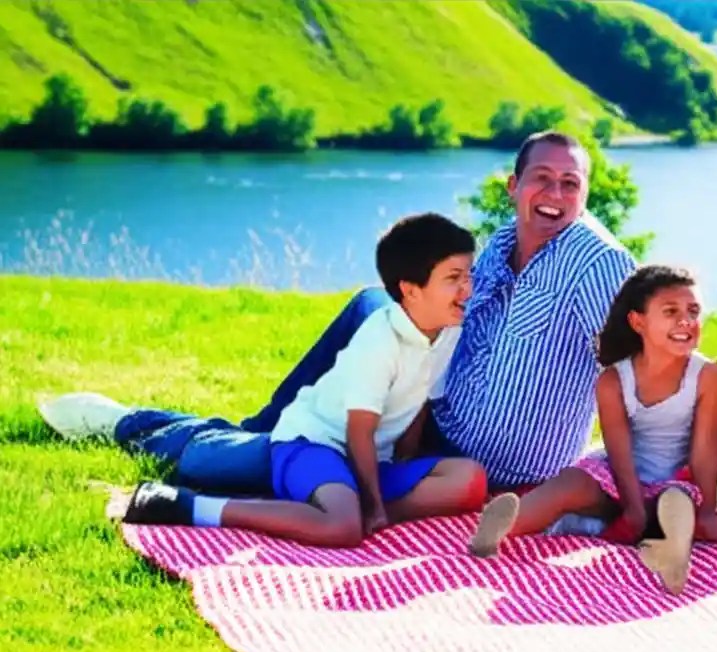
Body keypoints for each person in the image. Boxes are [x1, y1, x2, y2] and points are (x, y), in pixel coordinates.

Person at [38, 131, 636, 502]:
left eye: (571, 183)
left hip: (471, 455)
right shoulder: (505, 238)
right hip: (426, 409)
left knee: (242, 458)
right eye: (542, 179)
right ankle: (268, 427)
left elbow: (631, 368)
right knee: (371, 304)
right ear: (513, 186)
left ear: (585, 193)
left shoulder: (595, 260)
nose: (555, 194)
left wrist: (643, 484)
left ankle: (130, 424)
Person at [117, 213, 486, 546]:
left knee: (470, 480)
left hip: (373, 460)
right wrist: (372, 504)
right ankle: (195, 507)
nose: (467, 290)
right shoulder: (379, 340)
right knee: (342, 528)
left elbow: (419, 402)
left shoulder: (447, 331)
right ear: (410, 289)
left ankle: (347, 507)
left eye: (468, 276)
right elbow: (358, 432)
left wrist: (404, 464)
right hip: (316, 443)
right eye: (454, 279)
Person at [468, 266, 717, 593]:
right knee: (572, 482)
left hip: (674, 483)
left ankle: (672, 550)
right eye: (671, 311)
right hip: (619, 479)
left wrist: (708, 509)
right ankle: (501, 527)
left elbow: (706, 450)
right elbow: (618, 453)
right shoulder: (614, 380)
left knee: (676, 502)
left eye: (693, 311)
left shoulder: (707, 374)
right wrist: (633, 507)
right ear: (638, 321)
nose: (686, 321)